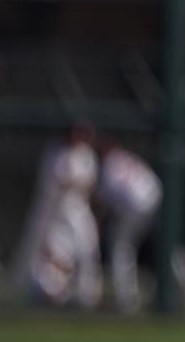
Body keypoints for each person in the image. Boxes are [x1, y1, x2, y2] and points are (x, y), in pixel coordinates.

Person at [9, 125, 102, 309]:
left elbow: (89, 184)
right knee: (41, 247)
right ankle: (29, 288)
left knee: (87, 247)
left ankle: (86, 294)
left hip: (77, 207)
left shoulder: (86, 154)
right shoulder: (56, 151)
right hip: (52, 208)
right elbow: (58, 181)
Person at [95, 136, 163, 313]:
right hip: (154, 199)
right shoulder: (129, 157)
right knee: (166, 242)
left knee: (121, 249)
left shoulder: (109, 166)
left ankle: (126, 299)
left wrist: (99, 224)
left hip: (134, 208)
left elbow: (105, 203)